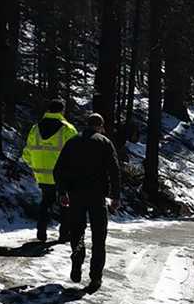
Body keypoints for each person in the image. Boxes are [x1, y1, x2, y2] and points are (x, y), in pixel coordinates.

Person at [53, 113, 121, 293]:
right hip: (97, 197)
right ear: (99, 126)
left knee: (77, 231)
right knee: (99, 237)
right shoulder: (104, 143)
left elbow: (58, 169)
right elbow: (114, 171)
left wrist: (62, 191)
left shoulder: (72, 142)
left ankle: (77, 261)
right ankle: (95, 277)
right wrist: (115, 196)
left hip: (76, 195)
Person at [21, 99, 78, 242]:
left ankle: (41, 233)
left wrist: (35, 166)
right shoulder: (67, 129)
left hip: (42, 175)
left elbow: (26, 153)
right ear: (62, 111)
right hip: (62, 176)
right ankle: (64, 234)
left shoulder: (35, 128)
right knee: (65, 205)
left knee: (46, 202)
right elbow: (76, 153)